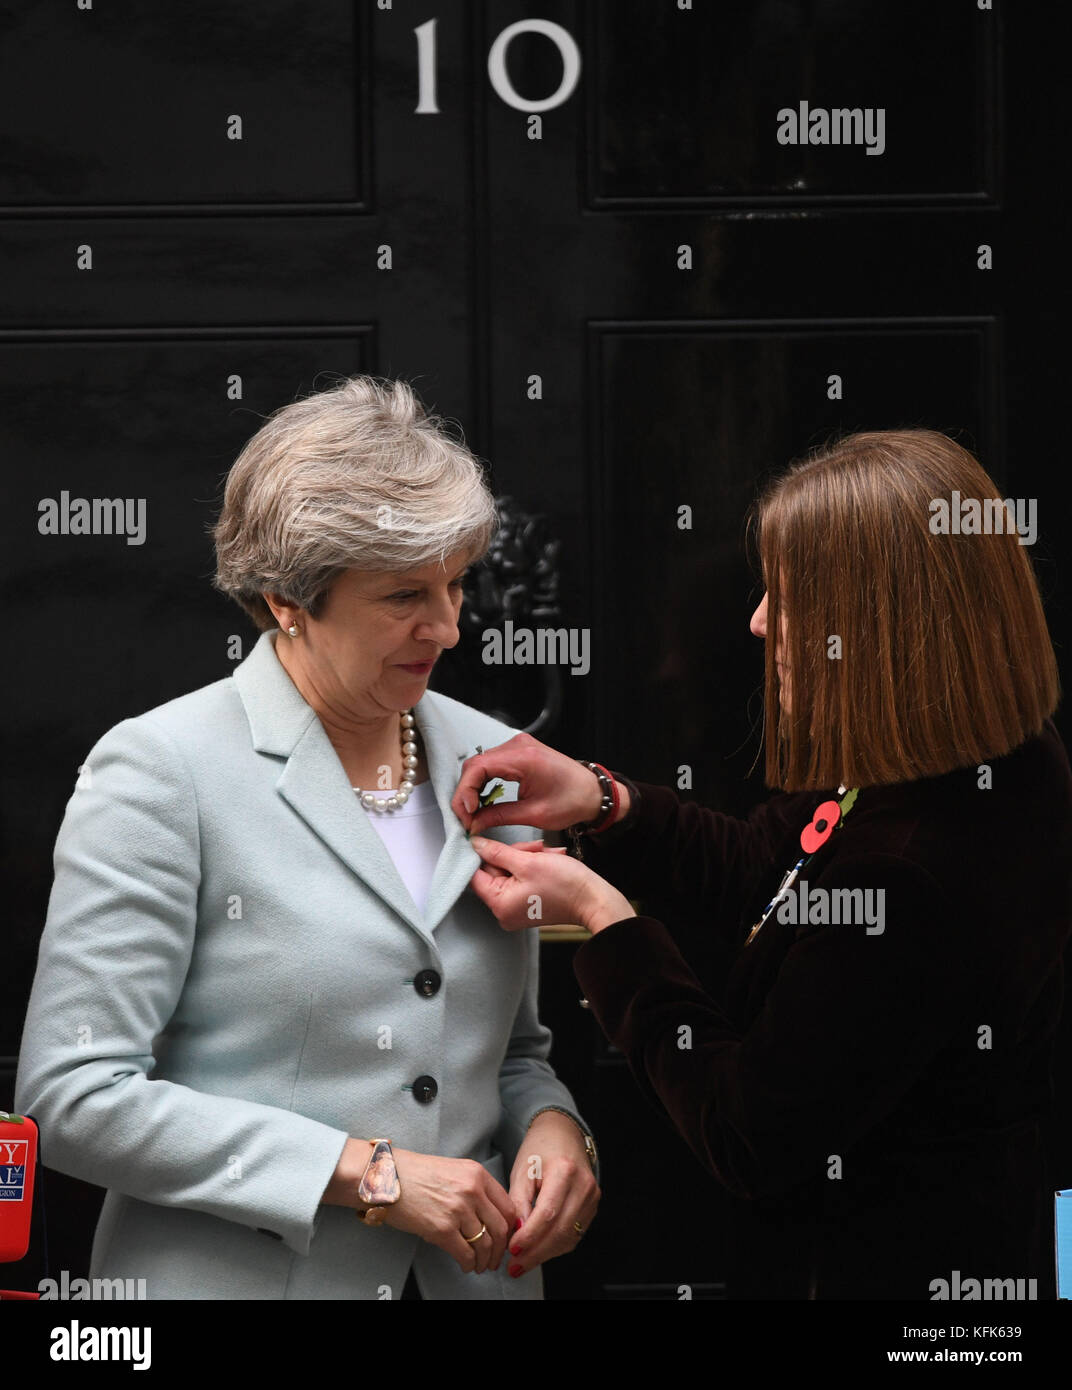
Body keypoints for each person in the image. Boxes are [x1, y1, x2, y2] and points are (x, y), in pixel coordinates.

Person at [15, 375, 599, 1300]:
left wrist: (558, 1130)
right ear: (288, 597)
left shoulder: (497, 762)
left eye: (456, 584)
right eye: (406, 594)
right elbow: (74, 1097)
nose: (448, 626)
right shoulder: (162, 771)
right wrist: (373, 1174)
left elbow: (512, 1054)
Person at [454, 429, 1072, 1300]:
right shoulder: (968, 753)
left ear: (880, 624)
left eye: (791, 595)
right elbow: (777, 873)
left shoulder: (916, 870)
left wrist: (607, 923)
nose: (758, 620)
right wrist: (605, 800)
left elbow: (747, 1132)